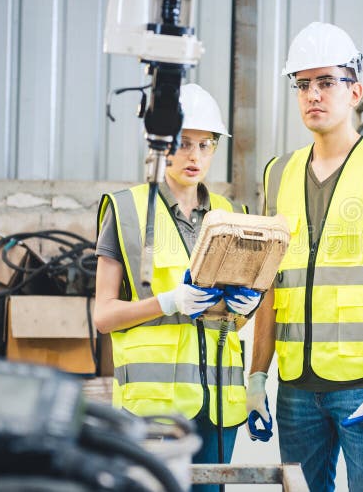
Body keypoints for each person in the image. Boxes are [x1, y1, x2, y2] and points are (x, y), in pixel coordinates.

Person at [247, 21, 363, 492]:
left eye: (327, 82)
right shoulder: (277, 174)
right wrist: (256, 377)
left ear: (356, 91)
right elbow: (270, 287)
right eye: (303, 84)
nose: (313, 95)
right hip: (296, 388)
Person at [94, 83, 262, 492]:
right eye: (184, 143)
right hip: (156, 406)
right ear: (160, 144)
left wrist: (247, 305)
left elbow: (237, 321)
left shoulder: (231, 214)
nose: (195, 156)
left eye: (206, 145)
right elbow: (103, 317)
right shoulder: (126, 211)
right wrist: (168, 302)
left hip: (220, 403)